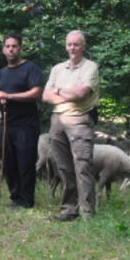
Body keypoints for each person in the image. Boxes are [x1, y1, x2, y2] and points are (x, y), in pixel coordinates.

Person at [42, 30, 99, 221]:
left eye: (76, 44)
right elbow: (45, 95)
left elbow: (80, 94)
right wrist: (66, 91)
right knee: (63, 167)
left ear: (83, 46)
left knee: (82, 166)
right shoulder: (58, 69)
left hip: (79, 121)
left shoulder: (90, 67)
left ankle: (87, 212)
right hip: (57, 121)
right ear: (65, 46)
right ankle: (69, 210)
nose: (72, 48)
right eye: (69, 44)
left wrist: (57, 91)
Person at [0, 33, 44, 209]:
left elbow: (36, 93)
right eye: (8, 46)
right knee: (8, 163)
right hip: (6, 124)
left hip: (26, 125)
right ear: (3, 49)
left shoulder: (31, 68)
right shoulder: (1, 73)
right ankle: (15, 198)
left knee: (25, 162)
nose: (11, 49)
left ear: (21, 48)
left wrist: (9, 96)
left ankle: (27, 200)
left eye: (14, 46)